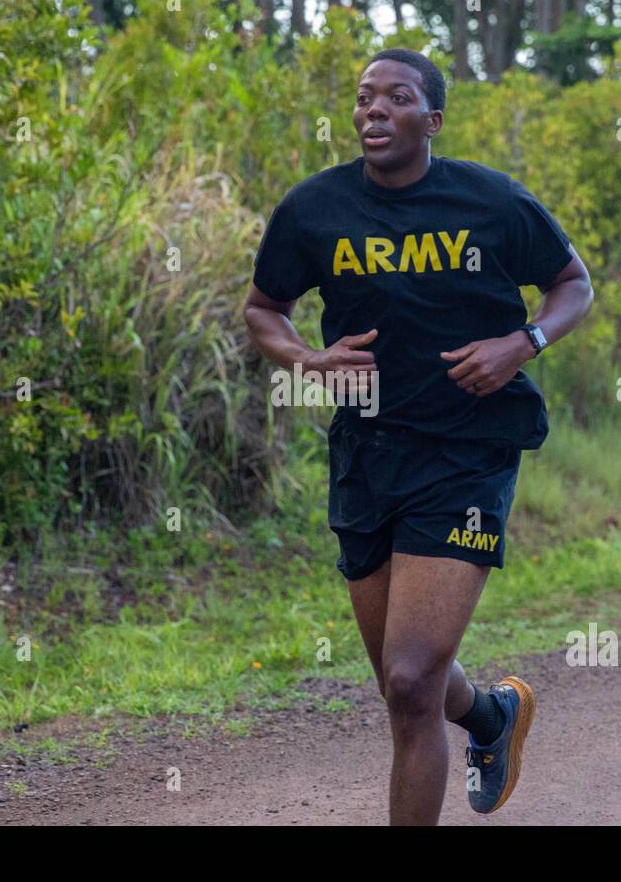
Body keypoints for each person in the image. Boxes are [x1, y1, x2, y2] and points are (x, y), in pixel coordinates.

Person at [243, 48, 594, 825]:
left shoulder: (491, 201)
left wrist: (523, 343)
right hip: (367, 453)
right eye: (364, 97)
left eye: (396, 98)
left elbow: (574, 282)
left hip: (467, 451)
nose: (374, 110)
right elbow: (263, 307)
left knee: (409, 682)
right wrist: (307, 358)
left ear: (431, 120)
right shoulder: (314, 210)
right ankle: (493, 718)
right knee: (408, 684)